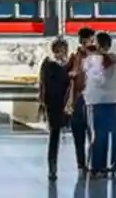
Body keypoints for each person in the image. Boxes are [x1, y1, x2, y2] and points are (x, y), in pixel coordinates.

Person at [85, 31, 116, 178]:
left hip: (99, 101)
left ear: (99, 44)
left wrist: (90, 69)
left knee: (100, 135)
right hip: (114, 101)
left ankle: (98, 166)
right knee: (115, 134)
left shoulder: (97, 61)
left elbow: (99, 80)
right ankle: (115, 164)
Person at [65, 26, 99, 172]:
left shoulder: (99, 57)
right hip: (79, 99)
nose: (89, 45)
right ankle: (81, 163)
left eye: (91, 41)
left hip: (93, 99)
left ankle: (93, 162)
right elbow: (69, 78)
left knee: (94, 134)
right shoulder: (75, 58)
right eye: (87, 42)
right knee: (78, 134)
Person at [38, 37, 72, 180]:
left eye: (63, 51)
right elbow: (42, 85)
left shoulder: (67, 65)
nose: (61, 54)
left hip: (65, 103)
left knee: (56, 135)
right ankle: (52, 167)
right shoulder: (50, 65)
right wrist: (43, 103)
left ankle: (81, 164)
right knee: (54, 135)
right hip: (54, 105)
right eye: (58, 51)